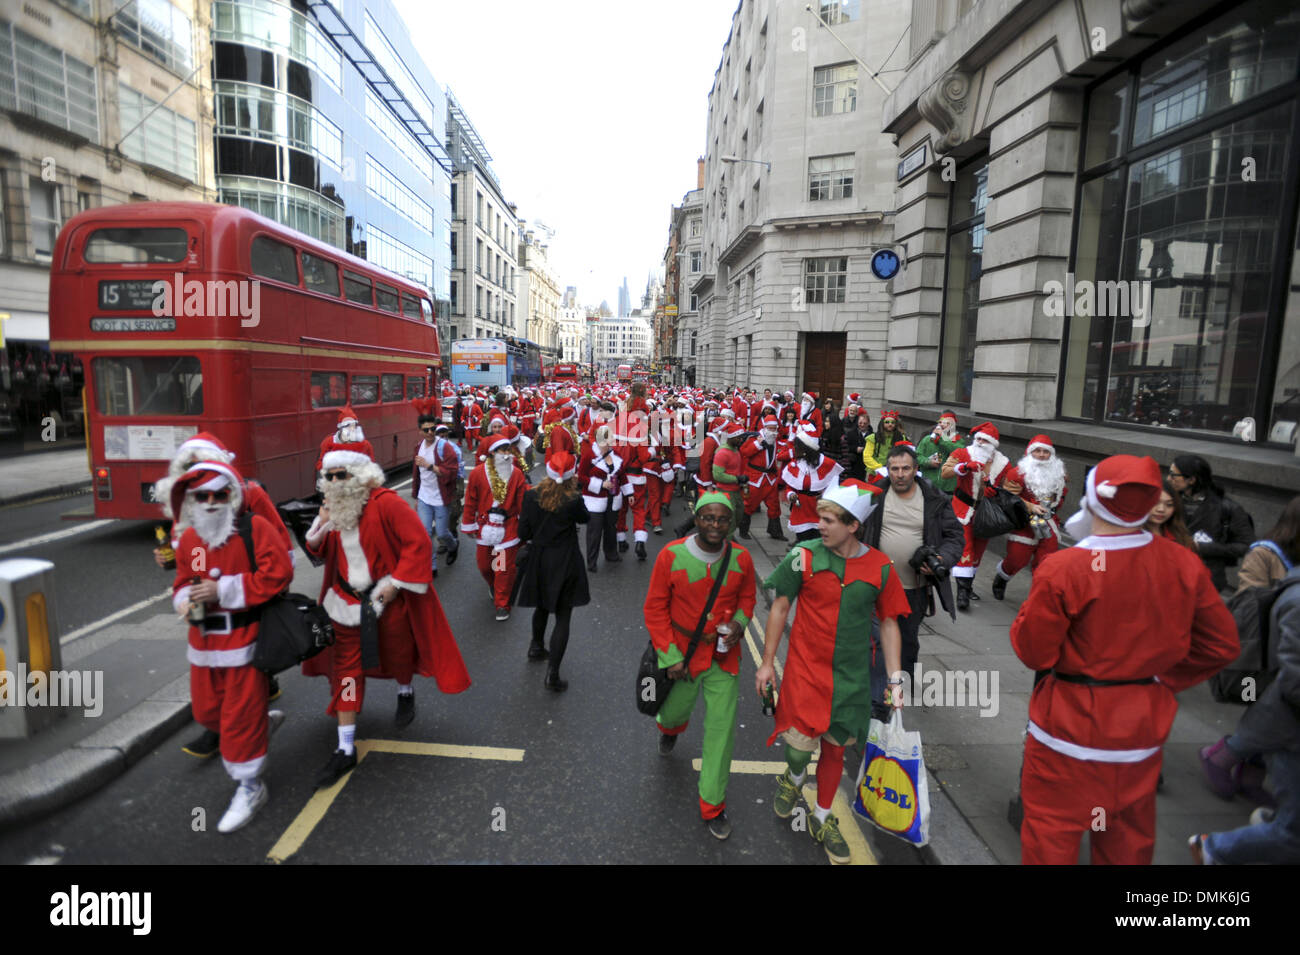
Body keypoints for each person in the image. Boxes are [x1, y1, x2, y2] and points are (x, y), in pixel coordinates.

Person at [1011, 454, 1239, 865]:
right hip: (1139, 735)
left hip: (1067, 733)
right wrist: (1156, 680)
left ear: (1092, 498)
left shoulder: (1064, 567)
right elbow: (1220, 645)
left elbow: (1035, 651)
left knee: (1051, 842)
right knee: (1125, 844)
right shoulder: (1183, 562)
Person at [757, 480, 911, 864]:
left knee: (835, 750)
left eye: (828, 520)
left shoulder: (881, 567)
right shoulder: (803, 556)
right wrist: (765, 663)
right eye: (820, 518)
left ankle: (823, 817)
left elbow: (890, 623)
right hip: (805, 674)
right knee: (797, 752)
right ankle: (793, 779)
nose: (819, 525)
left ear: (853, 525)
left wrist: (895, 680)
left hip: (851, 680)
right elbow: (779, 607)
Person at [303, 443, 470, 788]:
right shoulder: (335, 508)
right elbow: (317, 552)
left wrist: (395, 584)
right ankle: (345, 747)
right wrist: (319, 527)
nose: (334, 482)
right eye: (328, 476)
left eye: (341, 475)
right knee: (346, 673)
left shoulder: (387, 504)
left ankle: (405, 690)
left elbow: (418, 544)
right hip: (344, 605)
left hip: (385, 600)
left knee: (397, 654)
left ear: (360, 475)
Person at [170, 461, 293, 832]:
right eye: (201, 496)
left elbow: (278, 574)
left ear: (232, 495)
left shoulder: (253, 529)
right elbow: (185, 579)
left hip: (244, 643)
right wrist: (185, 600)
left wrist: (222, 590)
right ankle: (257, 724)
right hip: (203, 644)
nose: (210, 503)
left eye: (218, 495)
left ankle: (251, 786)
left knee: (238, 718)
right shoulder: (192, 540)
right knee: (209, 713)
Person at [154, 431, 292, 757]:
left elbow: (276, 546)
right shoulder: (189, 500)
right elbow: (187, 556)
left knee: (248, 676)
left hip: (245, 601)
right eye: (190, 467)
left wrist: (258, 584)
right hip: (205, 609)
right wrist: (171, 565)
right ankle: (237, 725)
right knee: (217, 689)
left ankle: (243, 732)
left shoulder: (248, 495)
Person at [646, 492, 758, 841]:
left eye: (722, 519)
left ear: (730, 523)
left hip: (723, 660)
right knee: (675, 711)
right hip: (681, 658)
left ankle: (713, 804)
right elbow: (654, 609)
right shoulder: (671, 556)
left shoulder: (741, 558)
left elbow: (748, 598)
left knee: (721, 734)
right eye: (708, 518)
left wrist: (740, 623)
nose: (714, 525)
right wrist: (670, 657)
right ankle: (669, 728)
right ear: (696, 519)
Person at [1192, 545, 1300, 864]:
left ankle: (1248, 776)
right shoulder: (1266, 553)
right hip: (1254, 664)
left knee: (1256, 717)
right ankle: (1223, 756)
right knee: (1249, 706)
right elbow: (1248, 589)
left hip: (1266, 673)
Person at [860, 445, 964, 712]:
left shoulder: (934, 498)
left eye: (906, 468)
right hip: (875, 586)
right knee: (873, 639)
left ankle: (899, 692)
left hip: (912, 589)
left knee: (906, 642)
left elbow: (955, 537)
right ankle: (874, 693)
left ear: (916, 469)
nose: (900, 474)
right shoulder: (874, 494)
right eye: (894, 468)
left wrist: (941, 559)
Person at [515, 451, 590, 691]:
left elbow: (523, 533)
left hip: (540, 557)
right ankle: (553, 675)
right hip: (566, 559)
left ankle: (536, 646)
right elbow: (585, 519)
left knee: (541, 606)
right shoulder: (574, 499)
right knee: (563, 615)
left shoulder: (531, 496)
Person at [461, 425, 529, 621]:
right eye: (502, 450)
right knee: (484, 566)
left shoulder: (516, 474)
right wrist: (468, 524)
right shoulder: (477, 474)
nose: (507, 454)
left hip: (507, 529)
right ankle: (493, 585)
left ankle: (502, 603)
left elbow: (522, 502)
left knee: (502, 568)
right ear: (492, 453)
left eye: (508, 450)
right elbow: (471, 500)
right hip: (484, 527)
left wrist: (525, 527)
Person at [990, 435, 1068, 601]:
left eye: (1045, 452)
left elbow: (1061, 498)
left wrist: (1053, 506)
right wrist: (1031, 506)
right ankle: (1002, 577)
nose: (1041, 455)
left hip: (1047, 524)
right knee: (1017, 558)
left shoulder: (1059, 475)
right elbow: (1007, 497)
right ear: (1029, 453)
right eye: (1037, 451)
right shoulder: (1017, 474)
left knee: (1046, 562)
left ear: (1051, 454)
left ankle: (1040, 596)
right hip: (1023, 523)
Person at [942, 422, 1011, 610]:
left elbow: (1008, 488)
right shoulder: (962, 453)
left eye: (984, 440)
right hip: (962, 508)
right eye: (978, 438)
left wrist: (995, 493)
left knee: (978, 552)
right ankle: (962, 593)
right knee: (965, 547)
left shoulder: (1003, 464)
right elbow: (945, 472)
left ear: (993, 444)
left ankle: (968, 585)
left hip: (986, 513)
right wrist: (963, 467)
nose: (980, 443)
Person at [1169, 454, 1255, 592]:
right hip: (1170, 575)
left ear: (1191, 479)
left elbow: (1246, 546)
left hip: (1207, 580)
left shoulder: (1227, 508)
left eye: (1173, 475)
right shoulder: (1168, 502)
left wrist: (1203, 547)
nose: (1168, 479)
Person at [411, 400, 460, 574]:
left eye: (432, 429)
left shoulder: (444, 448)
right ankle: (431, 567)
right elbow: (417, 475)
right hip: (425, 497)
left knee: (442, 533)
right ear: (420, 431)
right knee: (425, 534)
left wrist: (430, 466)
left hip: (441, 498)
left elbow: (452, 472)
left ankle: (453, 545)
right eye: (426, 430)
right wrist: (416, 496)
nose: (430, 432)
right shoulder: (418, 448)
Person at [780, 423, 844, 542]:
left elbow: (834, 485)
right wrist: (791, 495)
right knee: (802, 540)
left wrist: (825, 495)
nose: (794, 449)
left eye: (797, 446)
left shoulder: (826, 463)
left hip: (819, 509)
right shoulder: (795, 465)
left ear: (806, 448)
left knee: (818, 541)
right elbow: (790, 487)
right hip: (801, 510)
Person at [578, 424, 624, 571]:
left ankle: (611, 554)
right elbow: (581, 477)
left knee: (611, 528)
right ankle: (592, 561)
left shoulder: (616, 454)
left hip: (613, 497)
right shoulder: (589, 455)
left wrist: (628, 493)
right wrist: (600, 484)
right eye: (611, 436)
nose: (613, 438)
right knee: (594, 532)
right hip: (595, 499)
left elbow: (622, 475)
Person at [739, 414, 787, 542]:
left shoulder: (774, 439)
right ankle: (743, 530)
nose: (773, 431)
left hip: (770, 478)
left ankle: (775, 531)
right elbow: (744, 452)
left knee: (774, 505)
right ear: (765, 427)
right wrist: (757, 445)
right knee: (748, 504)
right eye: (770, 428)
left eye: (774, 428)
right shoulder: (754, 438)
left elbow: (773, 458)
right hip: (755, 478)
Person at [711, 420, 748, 539]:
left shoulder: (736, 450)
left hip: (736, 490)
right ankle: (726, 541)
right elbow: (718, 475)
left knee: (739, 514)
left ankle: (728, 536)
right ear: (731, 437)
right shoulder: (722, 453)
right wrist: (737, 479)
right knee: (729, 519)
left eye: (741, 438)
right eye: (738, 438)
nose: (740, 440)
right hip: (725, 492)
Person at [316, 406, 375, 471]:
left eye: (353, 425)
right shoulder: (329, 442)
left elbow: (371, 466)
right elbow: (320, 465)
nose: (351, 429)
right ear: (340, 427)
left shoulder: (365, 444)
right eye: (347, 426)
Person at [1143, 478, 1196, 550]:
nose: (1161, 509)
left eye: (1169, 504)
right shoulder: (1130, 535)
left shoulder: (1180, 537)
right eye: (1155, 502)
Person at [916, 411, 963, 492]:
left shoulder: (958, 441)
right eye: (940, 422)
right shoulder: (927, 439)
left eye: (946, 423)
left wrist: (942, 438)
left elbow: (958, 454)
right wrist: (928, 462)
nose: (941, 425)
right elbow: (917, 456)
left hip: (948, 489)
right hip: (928, 486)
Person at [862, 410, 908, 474]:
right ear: (882, 423)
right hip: (876, 472)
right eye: (887, 422)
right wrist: (879, 468)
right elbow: (867, 456)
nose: (890, 424)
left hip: (895, 472)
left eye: (892, 422)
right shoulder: (873, 438)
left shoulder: (901, 438)